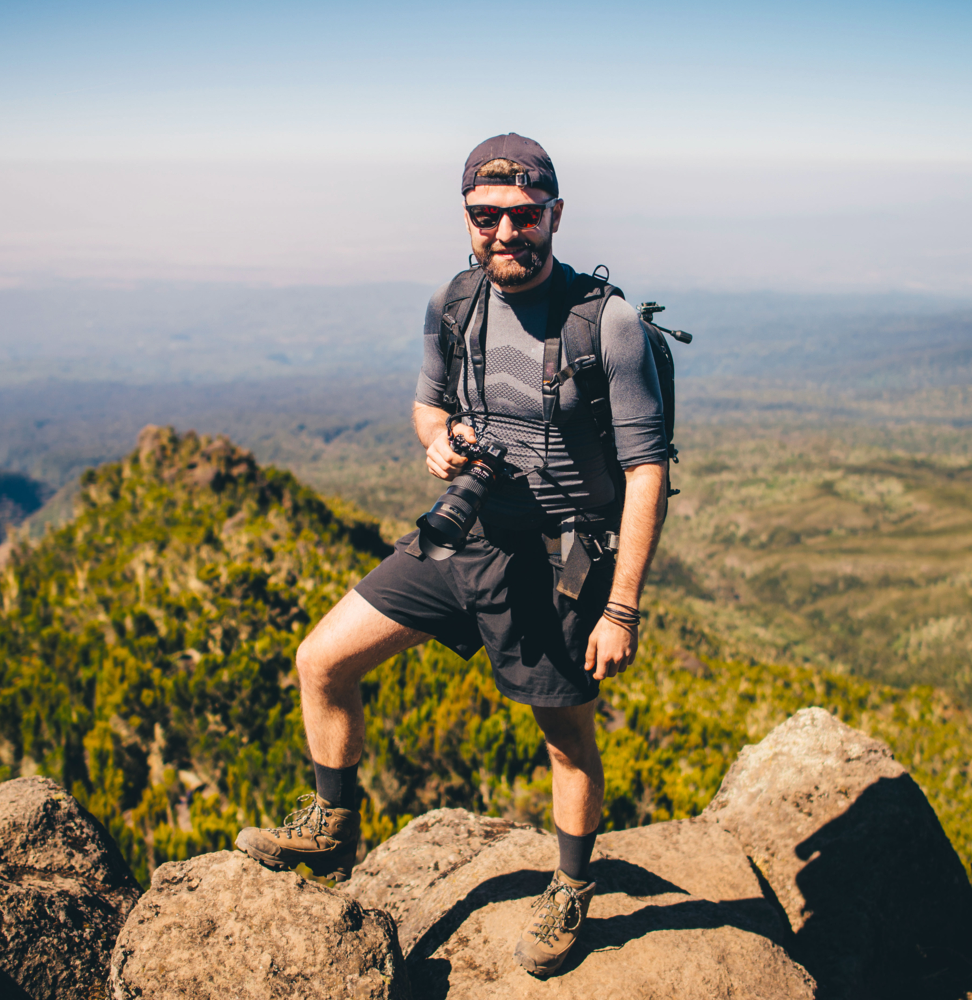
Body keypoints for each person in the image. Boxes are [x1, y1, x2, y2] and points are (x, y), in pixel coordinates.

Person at [236, 133, 668, 977]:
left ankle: (572, 888)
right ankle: (331, 828)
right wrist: (439, 445)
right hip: (462, 531)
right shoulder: (453, 302)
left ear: (555, 214)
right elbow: (427, 407)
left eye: (523, 215)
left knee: (565, 737)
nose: (506, 233)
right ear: (466, 218)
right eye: (485, 217)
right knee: (321, 660)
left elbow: (647, 471)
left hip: (556, 561)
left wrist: (620, 607)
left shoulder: (607, 327)